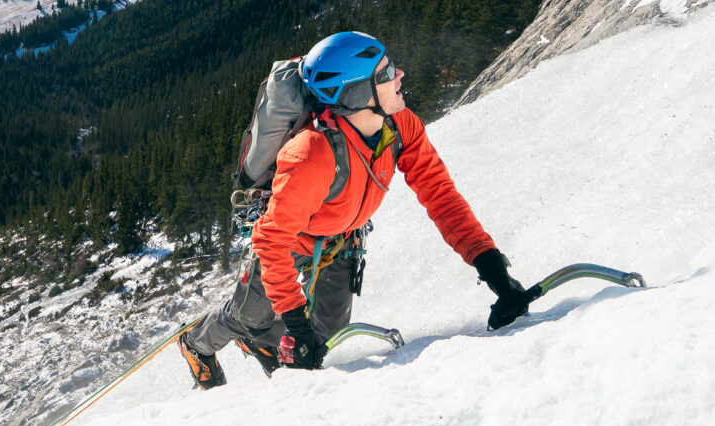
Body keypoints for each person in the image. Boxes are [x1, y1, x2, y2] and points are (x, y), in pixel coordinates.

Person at [178, 30, 532, 389]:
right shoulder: (313, 153)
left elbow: (440, 196)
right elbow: (271, 241)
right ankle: (197, 344)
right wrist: (296, 326)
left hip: (343, 241)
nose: (399, 75)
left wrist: (492, 268)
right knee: (249, 315)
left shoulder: (400, 125)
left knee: (328, 337)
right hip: (292, 242)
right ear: (357, 92)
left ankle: (267, 341)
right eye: (385, 73)